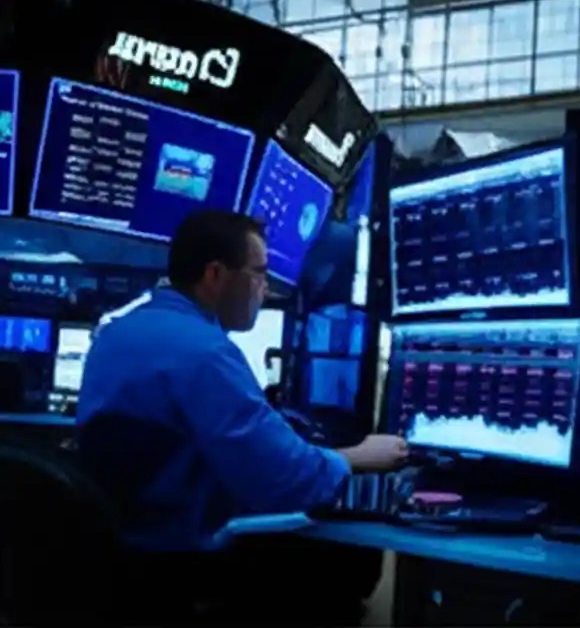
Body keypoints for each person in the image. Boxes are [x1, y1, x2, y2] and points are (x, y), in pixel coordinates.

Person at [75, 209, 407, 620]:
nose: (265, 289)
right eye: (259, 273)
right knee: (350, 562)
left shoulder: (116, 332)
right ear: (215, 275)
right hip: (181, 565)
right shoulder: (206, 353)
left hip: (124, 553)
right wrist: (357, 456)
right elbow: (286, 479)